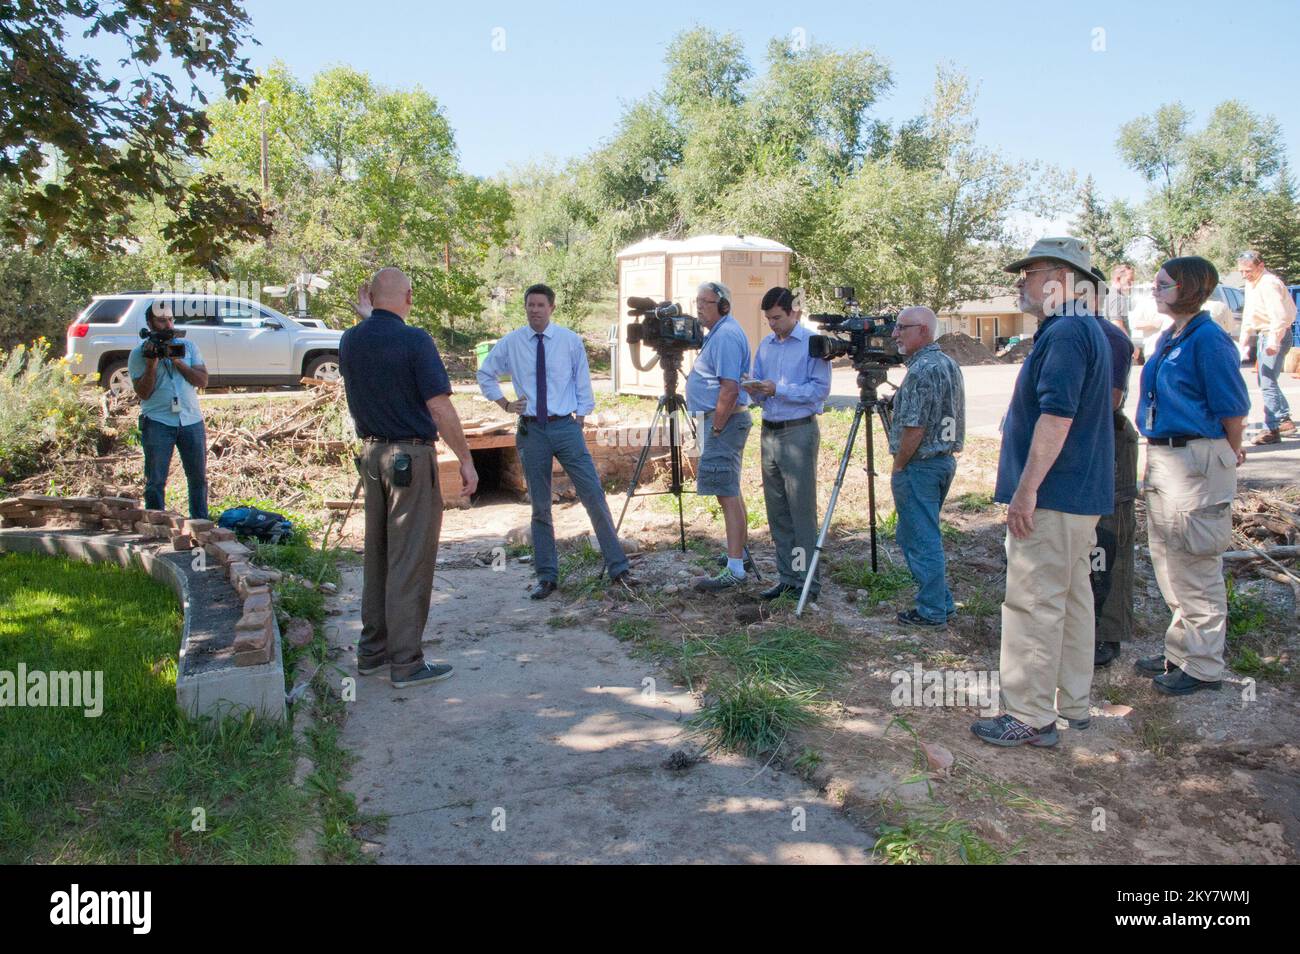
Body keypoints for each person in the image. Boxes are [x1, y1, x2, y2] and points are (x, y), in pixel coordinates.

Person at [971, 237, 1114, 748]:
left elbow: (1058, 415)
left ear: (1059, 278)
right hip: (1078, 496)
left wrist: (1027, 489)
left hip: (1053, 497)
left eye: (1029, 273)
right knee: (1072, 601)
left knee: (1032, 603)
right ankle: (1071, 704)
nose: (1020, 283)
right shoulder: (1085, 329)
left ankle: (1030, 716)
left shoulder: (1066, 333)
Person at [341, 268, 478, 689]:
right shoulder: (416, 340)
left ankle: (373, 651)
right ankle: (406, 661)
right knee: (410, 558)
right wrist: (466, 460)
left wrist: (368, 317)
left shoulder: (350, 340)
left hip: (372, 456)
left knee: (379, 555)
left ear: (370, 297)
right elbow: (439, 408)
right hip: (409, 458)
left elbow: (376, 341)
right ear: (409, 297)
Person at [1135, 257, 1250, 695]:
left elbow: (1232, 409)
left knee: (1196, 563)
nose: (1154, 289)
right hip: (1166, 458)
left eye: (1163, 284)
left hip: (1196, 460)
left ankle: (1203, 667)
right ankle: (1180, 650)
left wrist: (1229, 450)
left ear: (1188, 288)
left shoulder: (1209, 341)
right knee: (1168, 560)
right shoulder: (1172, 336)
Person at [477, 284, 634, 598]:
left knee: (592, 494)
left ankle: (618, 568)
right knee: (539, 506)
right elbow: (485, 373)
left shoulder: (569, 341)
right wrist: (505, 404)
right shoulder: (513, 342)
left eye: (540, 305)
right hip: (532, 430)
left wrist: (581, 417)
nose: (534, 310)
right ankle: (547, 577)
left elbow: (582, 380)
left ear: (551, 307)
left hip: (565, 427)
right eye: (530, 305)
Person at [742, 287, 831, 601]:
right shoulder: (765, 345)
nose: (772, 324)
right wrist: (753, 388)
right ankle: (788, 578)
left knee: (800, 512)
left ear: (795, 312)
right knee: (777, 510)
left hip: (798, 432)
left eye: (777, 317)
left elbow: (819, 391)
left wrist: (777, 388)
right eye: (768, 319)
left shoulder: (813, 345)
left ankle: (807, 582)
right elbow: (761, 385)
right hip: (770, 431)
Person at [884, 305, 965, 626]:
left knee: (921, 538)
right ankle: (941, 602)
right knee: (915, 533)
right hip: (943, 461)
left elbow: (914, 428)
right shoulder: (947, 363)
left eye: (902, 328)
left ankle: (932, 610)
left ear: (924, 331)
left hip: (921, 465)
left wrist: (900, 464)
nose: (895, 334)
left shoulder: (920, 370)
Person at [686, 281, 754, 591]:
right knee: (730, 490)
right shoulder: (719, 332)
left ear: (723, 306)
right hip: (719, 420)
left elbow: (729, 388)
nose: (700, 307)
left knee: (725, 492)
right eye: (698, 301)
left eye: (707, 302)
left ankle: (736, 569)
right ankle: (737, 555)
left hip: (723, 421)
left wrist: (715, 428)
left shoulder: (725, 335)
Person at [1088, 267, 1138, 668]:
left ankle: (1108, 634)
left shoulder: (1110, 337)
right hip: (1081, 451)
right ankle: (1084, 625)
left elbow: (1110, 400)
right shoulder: (1061, 334)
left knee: (1111, 541)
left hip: (1109, 449)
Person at [129, 299, 210, 518]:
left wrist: (178, 362)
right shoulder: (139, 353)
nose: (168, 325)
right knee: (155, 480)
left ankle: (200, 524)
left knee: (198, 478)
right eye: (162, 321)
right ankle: (156, 526)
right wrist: (151, 364)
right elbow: (143, 393)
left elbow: (202, 381)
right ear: (150, 323)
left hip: (190, 420)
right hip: (158, 421)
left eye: (170, 320)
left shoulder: (189, 347)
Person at [1237, 251, 1296, 444]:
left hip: (1274, 334)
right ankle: (1284, 419)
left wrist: (1273, 341)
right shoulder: (1252, 283)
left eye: (1248, 271)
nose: (1245, 275)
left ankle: (1272, 428)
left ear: (1261, 266)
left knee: (1268, 380)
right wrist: (1243, 342)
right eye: (1242, 271)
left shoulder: (1269, 283)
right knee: (1265, 380)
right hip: (1264, 334)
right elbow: (1249, 315)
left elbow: (1278, 316)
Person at [1105, 263, 1135, 336]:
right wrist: (1132, 346)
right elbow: (1117, 326)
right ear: (1118, 279)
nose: (1131, 284)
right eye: (1129, 281)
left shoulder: (1107, 295)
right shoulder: (1117, 298)